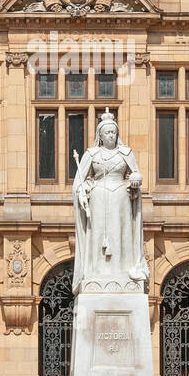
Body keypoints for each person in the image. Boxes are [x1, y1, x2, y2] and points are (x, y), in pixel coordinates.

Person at [71, 108, 147, 294]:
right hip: (98, 198)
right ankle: (97, 270)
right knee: (98, 234)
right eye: (107, 132)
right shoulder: (91, 154)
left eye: (113, 132)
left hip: (121, 197)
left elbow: (134, 174)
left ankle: (124, 268)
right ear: (101, 135)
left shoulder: (126, 153)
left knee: (122, 233)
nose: (111, 135)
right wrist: (82, 190)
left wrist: (135, 180)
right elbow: (81, 180)